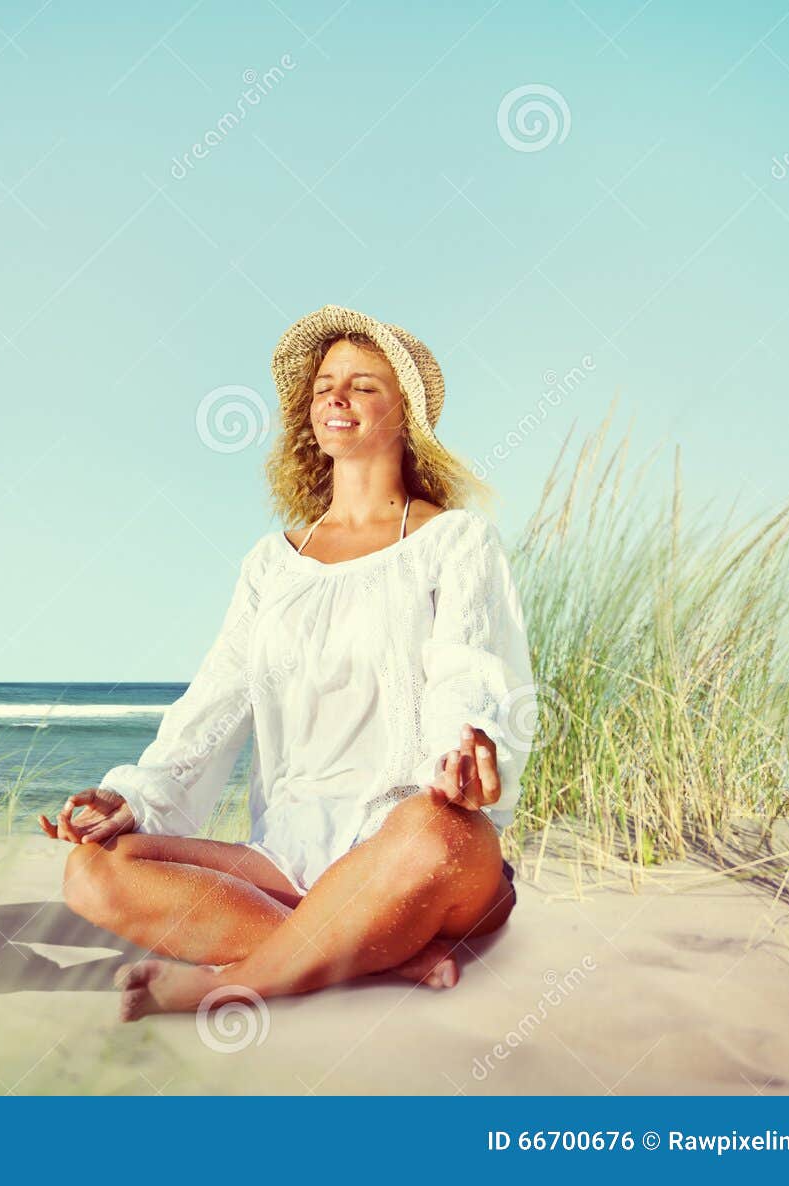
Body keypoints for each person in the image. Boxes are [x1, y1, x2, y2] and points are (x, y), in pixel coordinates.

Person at [39, 306, 537, 1021]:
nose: (336, 397)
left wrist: (468, 746)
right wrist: (136, 798)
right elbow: (216, 702)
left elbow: (470, 665)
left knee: (433, 830)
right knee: (94, 873)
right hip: (286, 860)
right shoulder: (273, 563)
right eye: (324, 385)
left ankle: (226, 984)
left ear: (407, 415)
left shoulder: (455, 540)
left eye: (364, 385)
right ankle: (373, 949)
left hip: (406, 845)